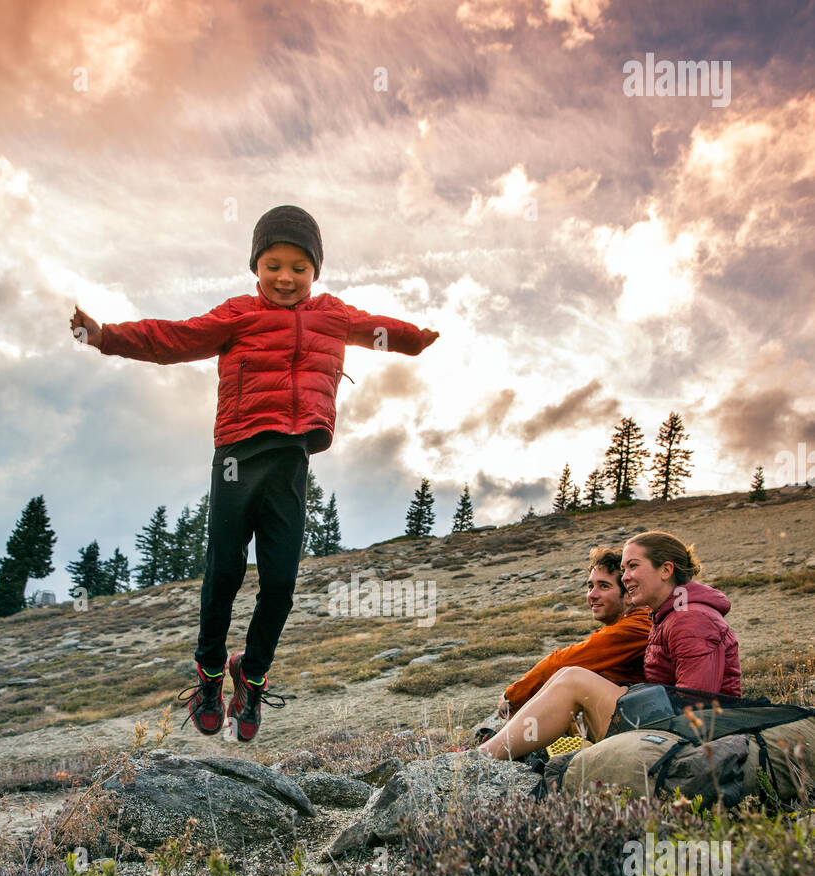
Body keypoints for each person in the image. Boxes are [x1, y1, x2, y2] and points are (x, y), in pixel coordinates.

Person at [70, 205, 439, 741]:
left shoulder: (331, 314)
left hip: (292, 459)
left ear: (315, 272)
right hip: (237, 458)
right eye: (273, 265)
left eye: (298, 267)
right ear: (255, 266)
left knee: (282, 584)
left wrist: (415, 339)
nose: (285, 278)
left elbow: (374, 329)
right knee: (224, 572)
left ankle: (253, 673)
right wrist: (106, 337)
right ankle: (210, 670)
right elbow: (174, 337)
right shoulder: (238, 315)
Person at [472, 531, 741, 762]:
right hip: (664, 731)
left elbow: (696, 710)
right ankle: (495, 751)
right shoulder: (667, 617)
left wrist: (633, 696)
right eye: (624, 569)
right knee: (572, 680)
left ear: (666, 570)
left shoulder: (691, 619)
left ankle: (482, 758)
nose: (626, 577)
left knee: (574, 680)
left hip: (684, 746)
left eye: (633, 567)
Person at [495, 546, 650, 720]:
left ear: (629, 594)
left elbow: (563, 661)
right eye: (590, 586)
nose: (592, 595)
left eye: (604, 586)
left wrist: (512, 697)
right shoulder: (629, 622)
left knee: (569, 677)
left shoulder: (636, 626)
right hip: (637, 710)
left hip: (644, 717)